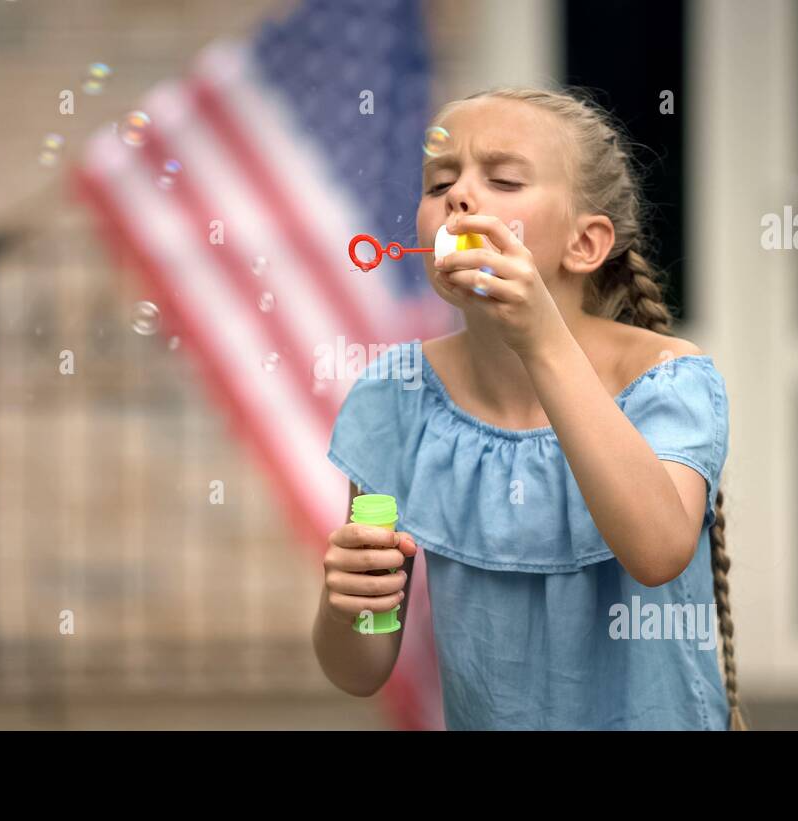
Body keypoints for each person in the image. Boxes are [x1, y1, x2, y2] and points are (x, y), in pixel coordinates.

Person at [313, 85, 746, 731]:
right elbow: (360, 669)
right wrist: (344, 603)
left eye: (504, 178)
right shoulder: (397, 393)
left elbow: (657, 551)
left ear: (585, 244)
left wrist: (541, 338)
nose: (459, 195)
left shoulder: (664, 377)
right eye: (439, 184)